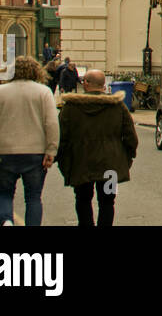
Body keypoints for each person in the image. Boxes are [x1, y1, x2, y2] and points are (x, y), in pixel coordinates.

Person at [0, 55, 59, 226]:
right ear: (37, 71)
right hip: (35, 153)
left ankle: (7, 221)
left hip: (4, 151)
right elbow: (52, 123)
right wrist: (51, 150)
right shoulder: (43, 92)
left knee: (4, 193)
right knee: (33, 197)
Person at [57, 69, 137, 228]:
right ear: (103, 85)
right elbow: (130, 137)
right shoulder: (118, 106)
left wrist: (63, 161)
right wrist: (127, 158)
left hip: (81, 162)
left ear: (86, 84)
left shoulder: (71, 108)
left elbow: (62, 138)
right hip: (110, 164)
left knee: (82, 199)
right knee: (108, 201)